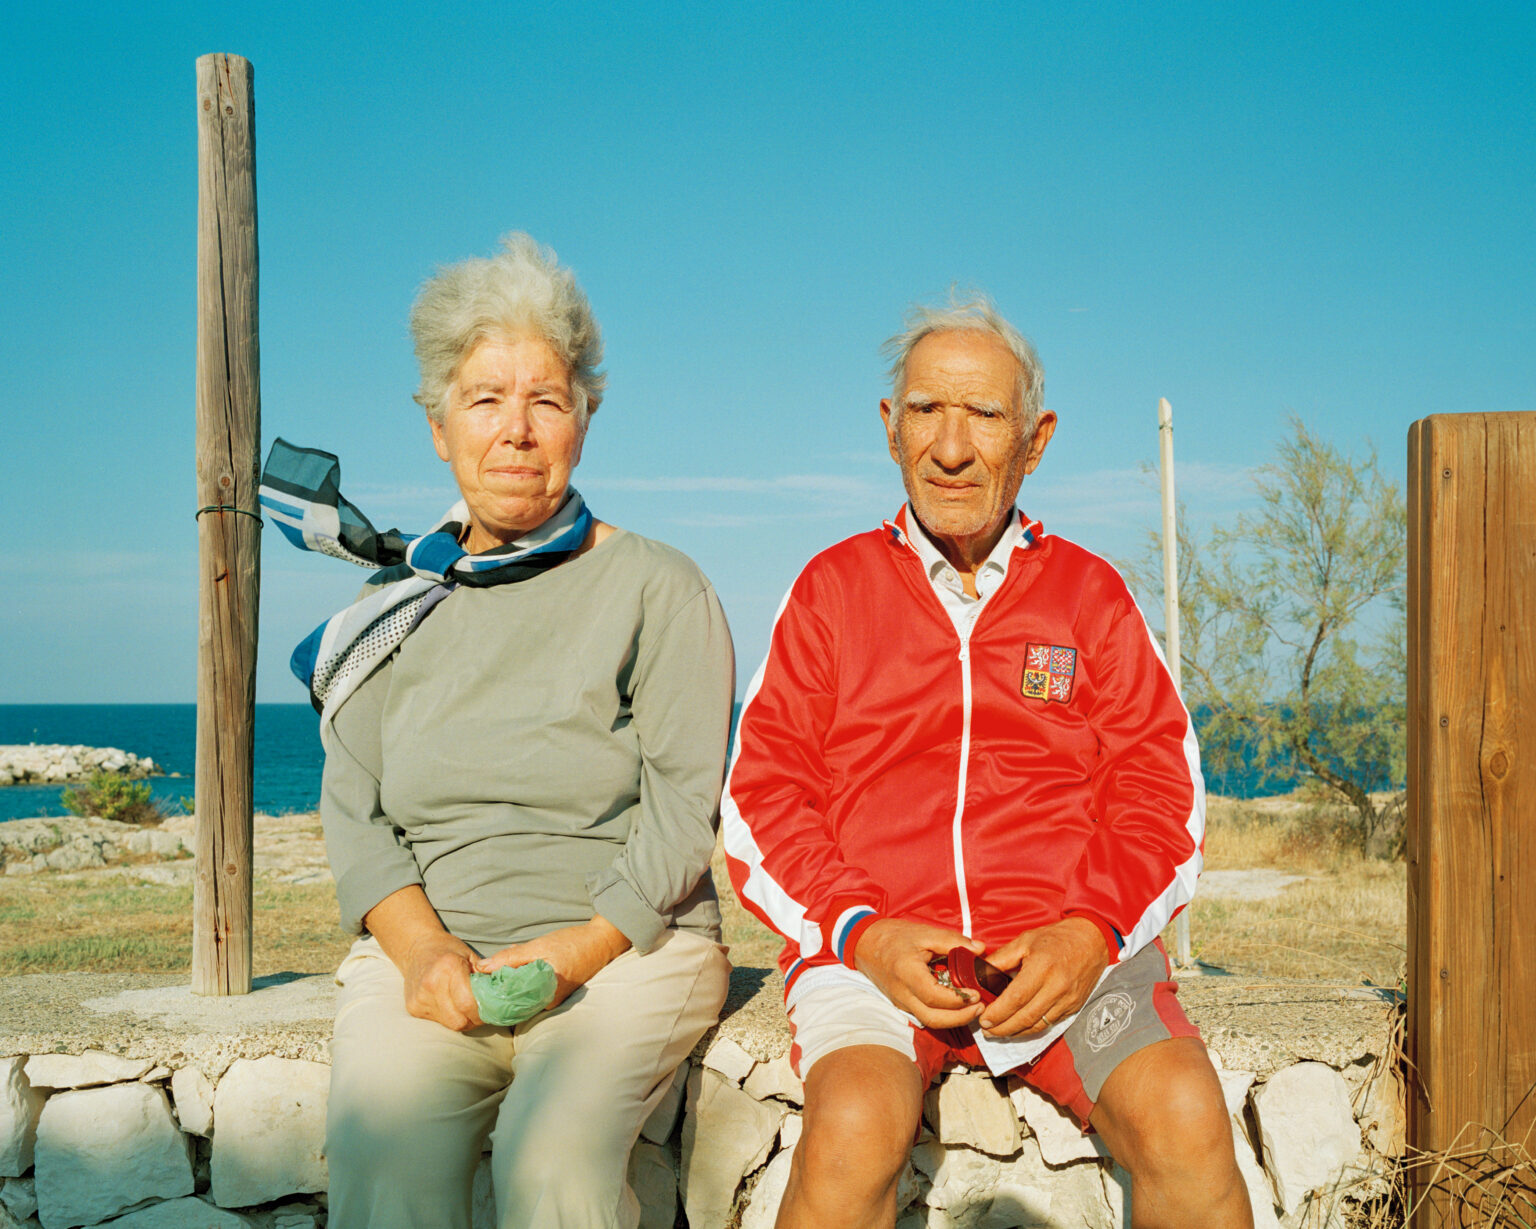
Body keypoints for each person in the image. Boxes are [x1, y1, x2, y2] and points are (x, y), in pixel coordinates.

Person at [723, 296, 1251, 1228]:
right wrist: (862, 932)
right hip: (875, 954)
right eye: (926, 410)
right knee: (851, 1123)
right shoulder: (831, 591)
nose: (952, 447)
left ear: (1036, 440)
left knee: (1184, 1114)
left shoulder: (1091, 595)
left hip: (1067, 955)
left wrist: (1090, 932)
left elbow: (1160, 791)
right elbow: (763, 795)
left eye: (985, 415)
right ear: (890, 428)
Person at [261, 234, 734, 1229]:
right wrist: (426, 953)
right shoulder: (392, 606)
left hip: (628, 956)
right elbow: (355, 814)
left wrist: (575, 948)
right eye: (484, 399)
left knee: (549, 1159)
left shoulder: (661, 585)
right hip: (433, 963)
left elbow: (685, 805)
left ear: (584, 419)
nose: (515, 429)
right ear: (438, 425)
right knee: (383, 1163)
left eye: (546, 400)